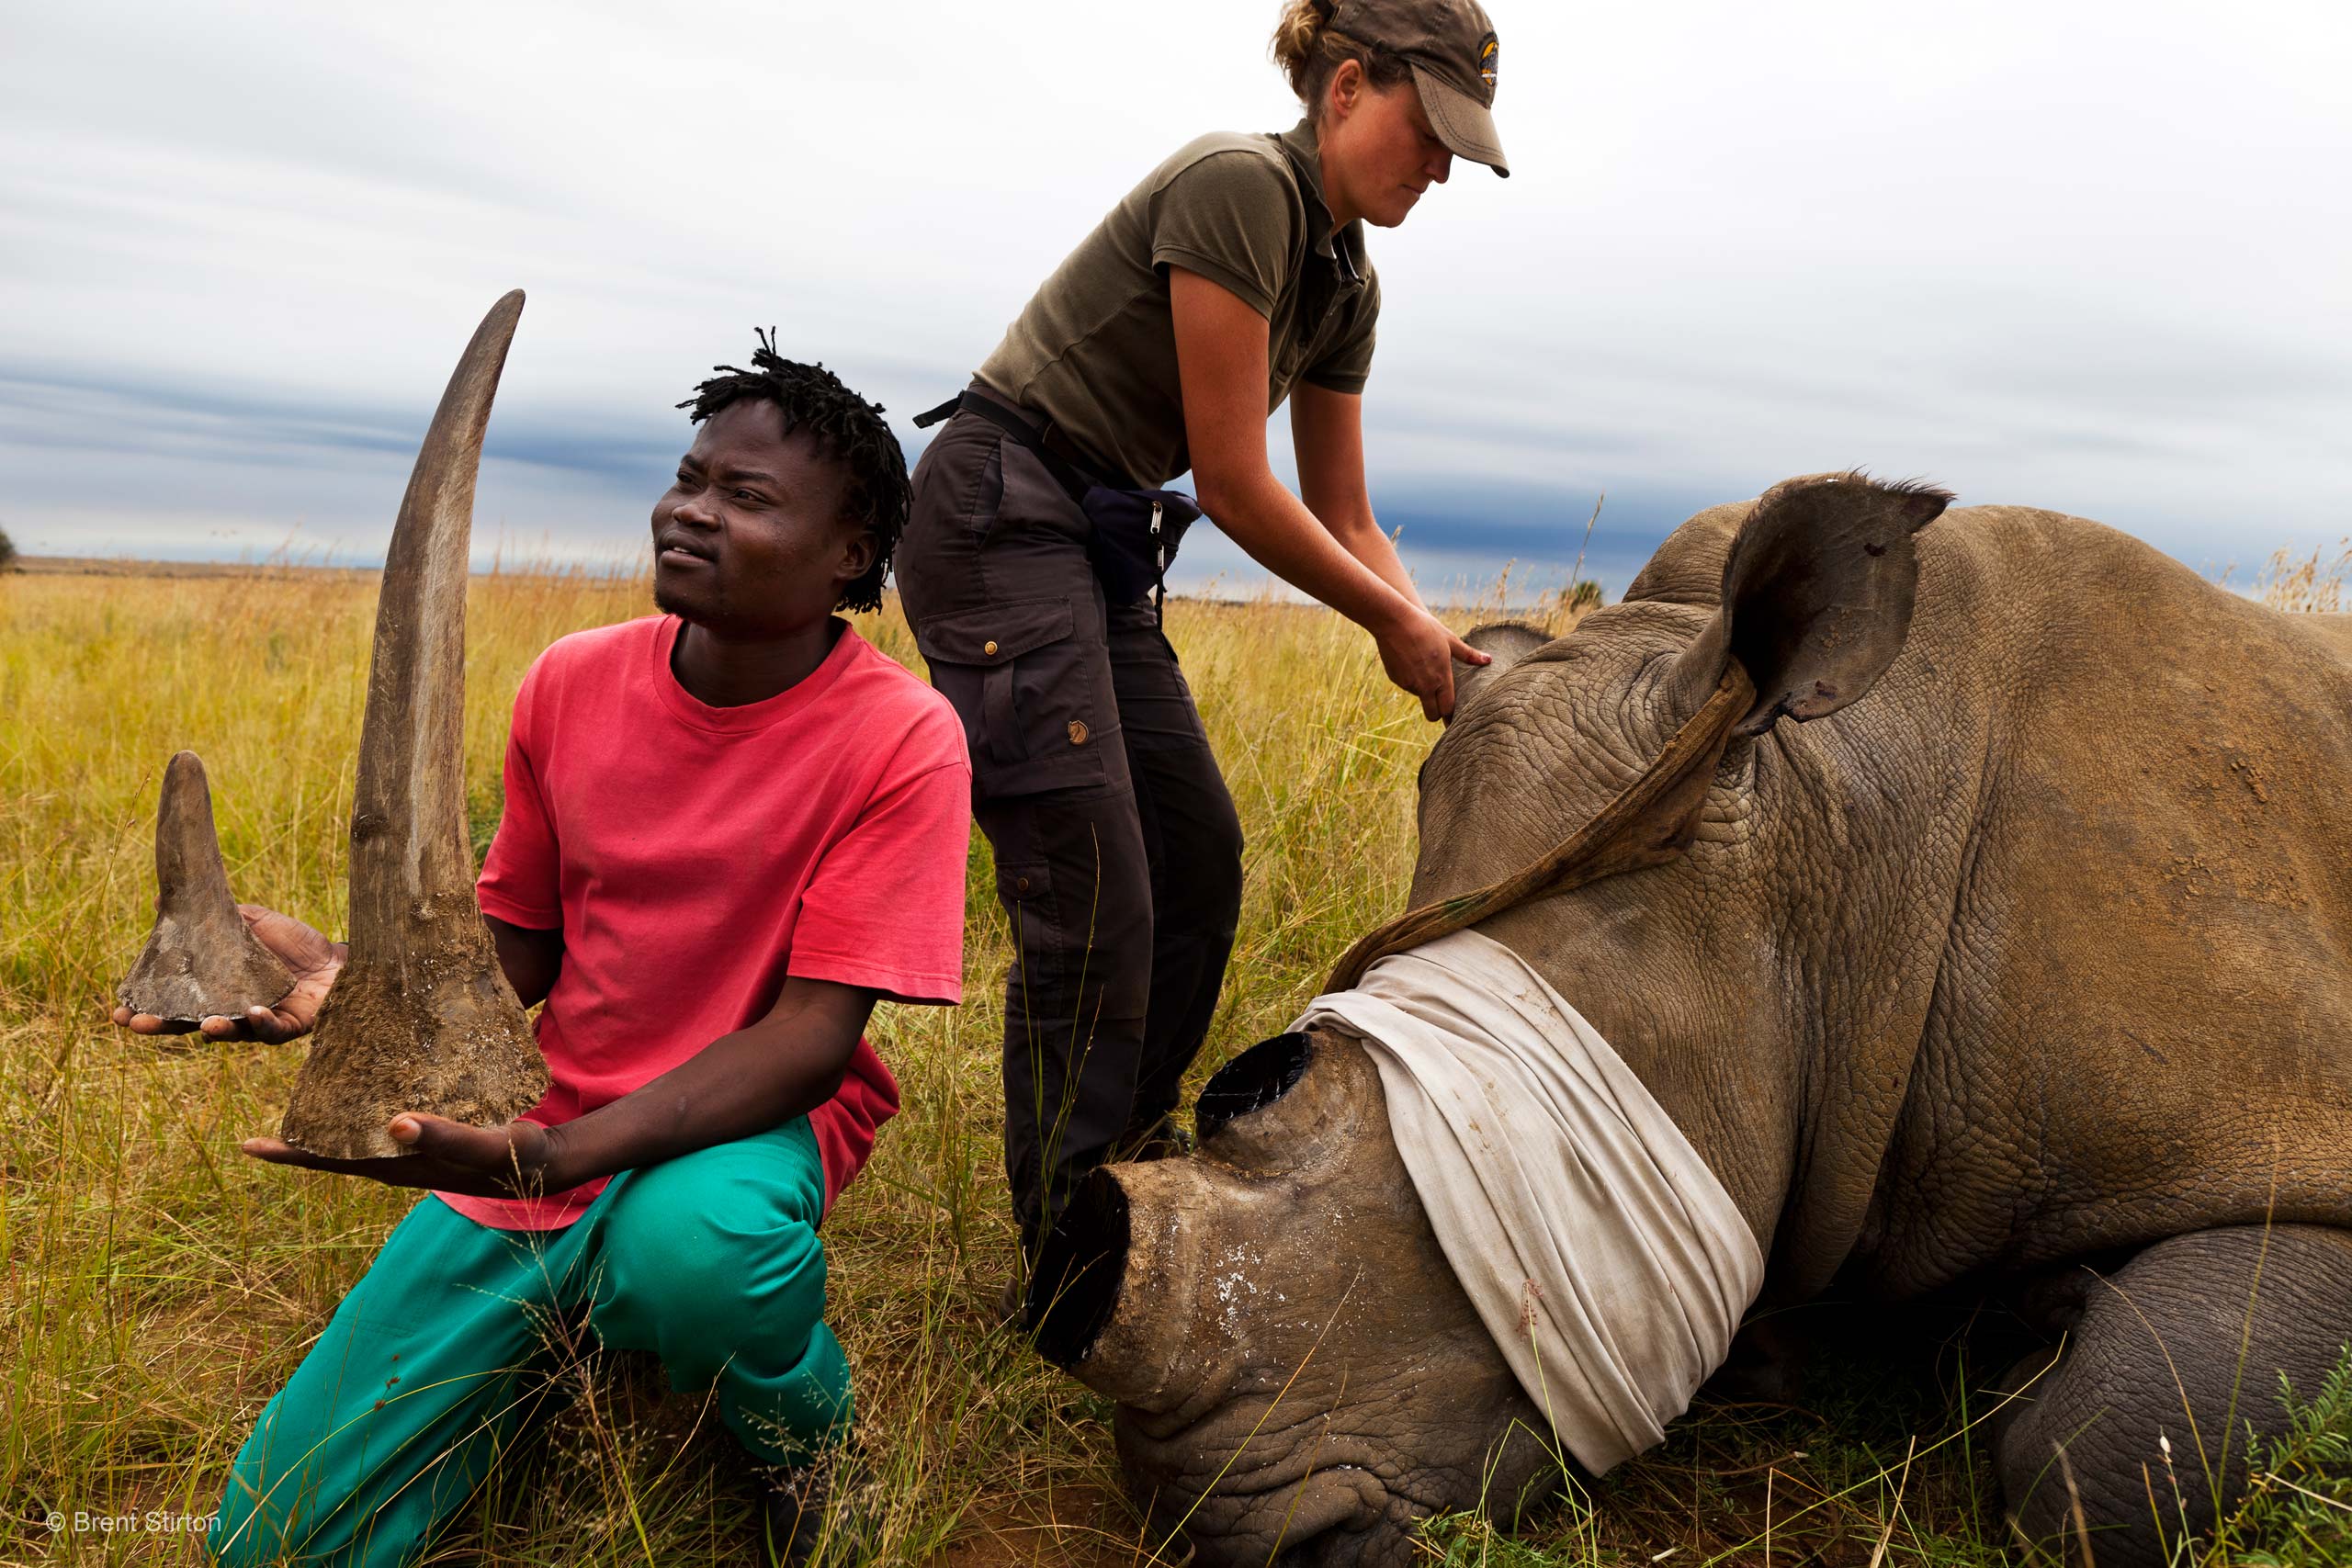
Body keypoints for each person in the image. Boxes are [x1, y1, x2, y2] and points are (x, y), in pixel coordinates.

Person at [115, 342, 973, 1567]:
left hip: (744, 1127)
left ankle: (800, 1440)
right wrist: (346, 985)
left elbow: (808, 1040)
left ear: (849, 554)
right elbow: (518, 942)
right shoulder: (572, 681)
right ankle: (563, 1349)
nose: (691, 510)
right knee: (270, 1534)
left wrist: (554, 1157)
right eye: (689, 479)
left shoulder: (903, 738)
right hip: (551, 1114)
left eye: (748, 496)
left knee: (693, 1259)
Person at [895, 0, 1509, 1287]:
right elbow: (1236, 483)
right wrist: (1389, 623)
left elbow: (1344, 511)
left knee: (1198, 857)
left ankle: (1128, 1158)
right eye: (1428, 128)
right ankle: (1072, 1263)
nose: (1441, 166)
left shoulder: (1346, 281)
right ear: (1347, 88)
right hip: (1005, 508)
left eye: (1463, 146)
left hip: (1098, 542)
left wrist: (1438, 646)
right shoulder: (1239, 185)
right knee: (1097, 895)